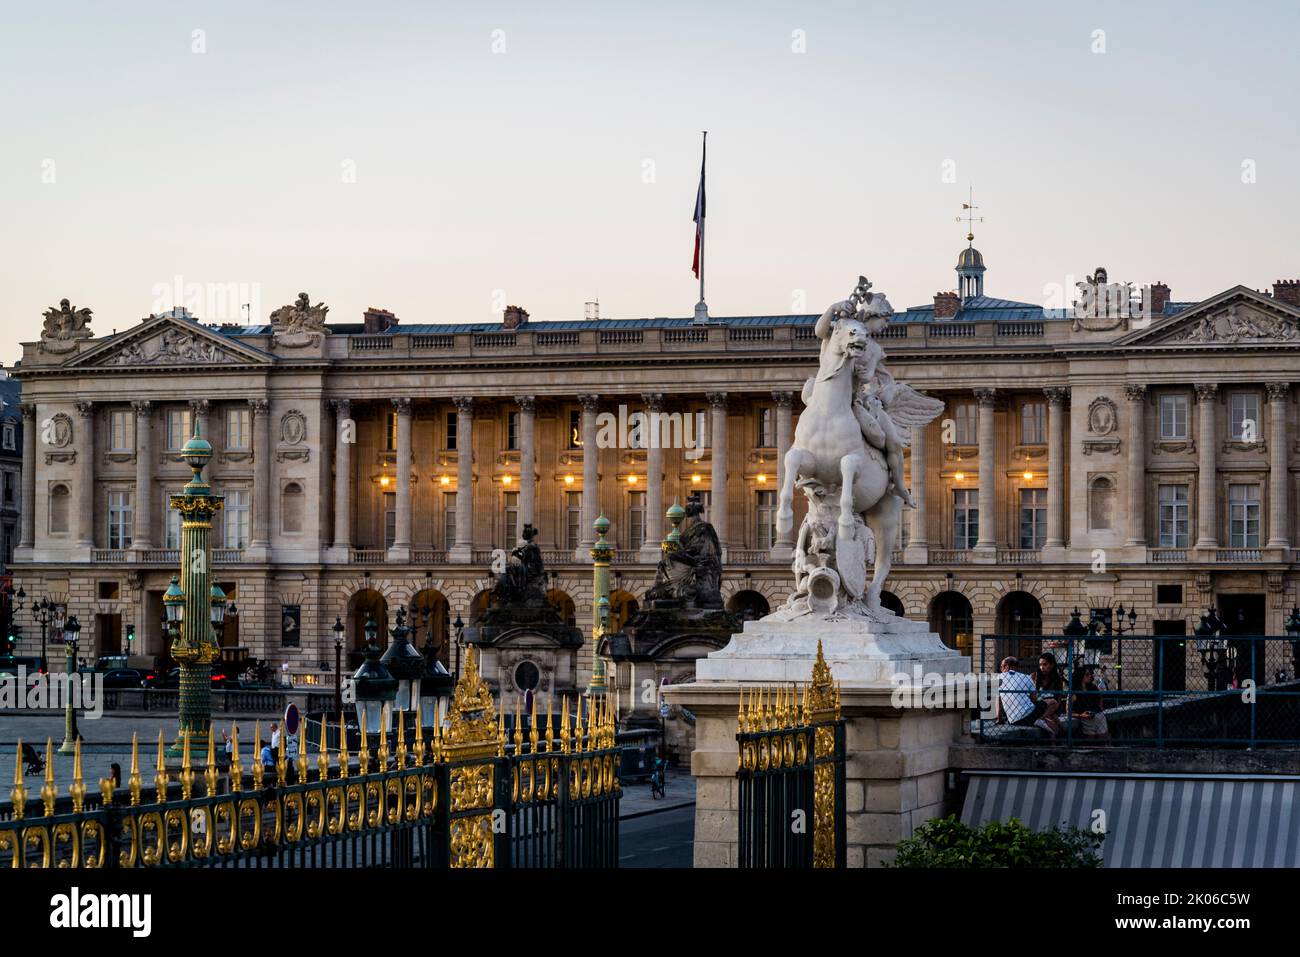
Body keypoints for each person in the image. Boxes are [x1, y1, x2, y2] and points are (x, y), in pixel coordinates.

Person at [996, 656, 1060, 735]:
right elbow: (1034, 699)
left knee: (1051, 717)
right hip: (1030, 714)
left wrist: (999, 718)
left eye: (1001, 666)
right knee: (1053, 702)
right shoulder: (1026, 677)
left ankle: (1043, 721)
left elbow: (998, 700)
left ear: (1007, 666)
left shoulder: (998, 678)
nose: (1000, 669)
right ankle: (1041, 719)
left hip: (1013, 720)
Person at [1072, 666, 1110, 741]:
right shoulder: (1074, 692)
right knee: (1091, 741)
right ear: (1080, 676)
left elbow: (1100, 696)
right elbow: (1069, 711)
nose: (1090, 676)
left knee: (1103, 739)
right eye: (1087, 674)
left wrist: (1100, 708)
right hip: (1086, 718)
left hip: (1098, 715)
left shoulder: (1093, 687)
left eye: (1090, 674)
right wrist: (1081, 715)